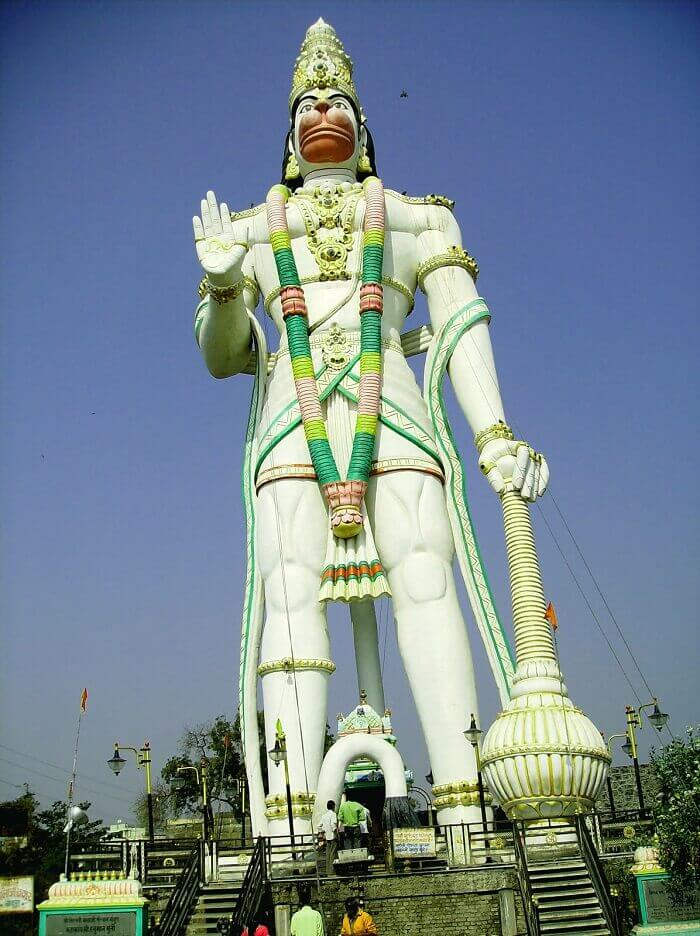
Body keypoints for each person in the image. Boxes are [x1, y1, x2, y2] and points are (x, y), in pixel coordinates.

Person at [193, 18, 549, 840]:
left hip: (395, 412)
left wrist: (495, 434)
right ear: (289, 137)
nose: (325, 108)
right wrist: (219, 289)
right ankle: (285, 832)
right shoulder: (248, 230)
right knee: (288, 598)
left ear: (364, 130)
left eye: (340, 99)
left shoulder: (422, 220)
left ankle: (462, 812)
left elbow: (460, 327)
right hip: (293, 416)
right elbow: (225, 357)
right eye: (308, 101)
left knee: (428, 581)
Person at [317, 799, 339, 874]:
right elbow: (333, 825)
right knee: (333, 854)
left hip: (327, 836)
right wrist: (336, 834)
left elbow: (318, 826)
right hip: (333, 836)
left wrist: (324, 831)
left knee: (328, 854)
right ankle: (332, 871)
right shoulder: (333, 814)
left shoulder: (324, 816)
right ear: (333, 806)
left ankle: (328, 871)